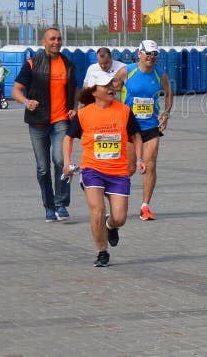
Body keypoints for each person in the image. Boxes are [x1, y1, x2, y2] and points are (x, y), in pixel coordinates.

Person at [63, 71, 146, 267]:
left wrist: (140, 158)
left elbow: (136, 136)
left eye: (112, 84)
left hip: (118, 172)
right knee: (97, 211)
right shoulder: (84, 114)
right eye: (105, 85)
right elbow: (68, 137)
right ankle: (102, 251)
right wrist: (67, 162)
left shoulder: (124, 111)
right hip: (92, 169)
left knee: (119, 218)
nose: (111, 88)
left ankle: (110, 226)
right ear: (94, 91)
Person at [11, 27, 78, 222]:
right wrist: (26, 102)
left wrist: (74, 108)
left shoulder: (69, 65)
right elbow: (16, 90)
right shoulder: (32, 64)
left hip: (61, 122)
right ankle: (49, 207)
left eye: (59, 39)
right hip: (38, 122)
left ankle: (61, 204)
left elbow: (75, 91)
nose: (56, 42)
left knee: (60, 161)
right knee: (43, 168)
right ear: (44, 41)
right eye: (52, 39)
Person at [115, 39, 173, 221]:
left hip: (150, 127)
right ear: (139, 53)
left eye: (155, 54)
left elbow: (169, 93)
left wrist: (165, 113)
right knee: (130, 168)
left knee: (150, 164)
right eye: (148, 53)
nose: (151, 57)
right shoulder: (127, 71)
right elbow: (110, 90)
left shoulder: (159, 74)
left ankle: (145, 206)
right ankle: (114, 200)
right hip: (130, 128)